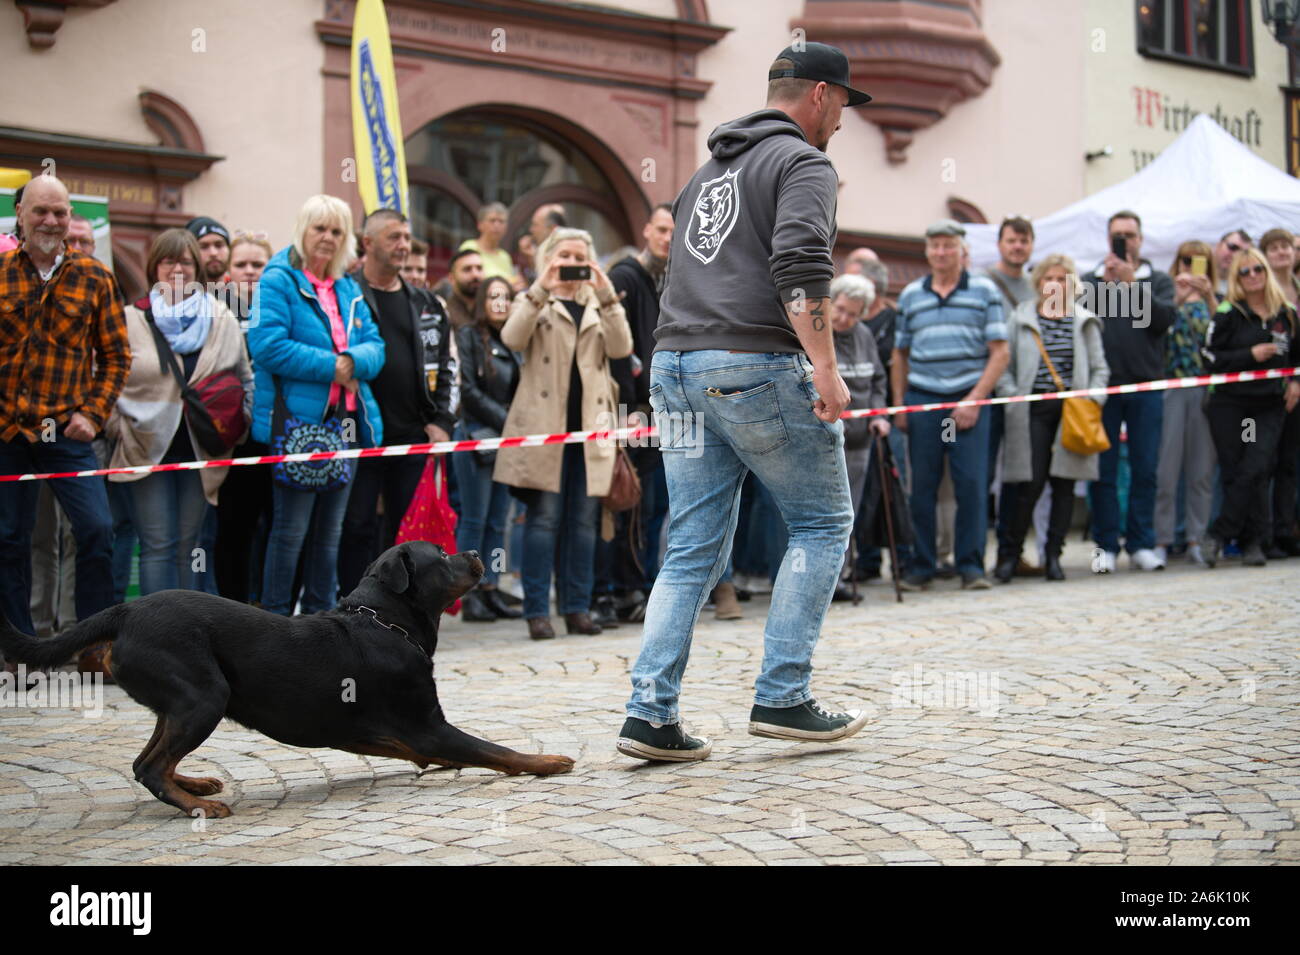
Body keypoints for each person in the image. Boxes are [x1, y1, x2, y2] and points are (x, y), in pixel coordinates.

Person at [618, 41, 873, 762]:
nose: (843, 124)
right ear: (820, 94)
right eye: (845, 106)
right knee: (823, 522)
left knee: (693, 545)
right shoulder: (803, 162)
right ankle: (784, 696)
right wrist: (825, 365)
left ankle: (649, 713)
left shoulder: (705, 173)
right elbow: (800, 262)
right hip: (754, 360)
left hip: (675, 364)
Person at [0, 174, 129, 677]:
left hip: (67, 434)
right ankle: (19, 654)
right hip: (8, 433)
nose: (52, 221)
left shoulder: (95, 277)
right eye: (41, 212)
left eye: (61, 212)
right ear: (21, 215)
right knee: (9, 540)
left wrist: (92, 413)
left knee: (97, 531)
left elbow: (117, 355)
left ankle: (94, 650)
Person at [247, 195, 385, 616]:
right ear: (303, 231)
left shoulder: (347, 286)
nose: (327, 238)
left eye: (336, 231)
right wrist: (333, 366)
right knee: (290, 532)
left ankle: (323, 624)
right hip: (297, 423)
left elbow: (377, 348)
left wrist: (351, 361)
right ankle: (273, 623)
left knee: (330, 533)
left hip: (346, 424)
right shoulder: (278, 279)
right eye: (319, 228)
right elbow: (266, 346)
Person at [494, 227, 632, 640]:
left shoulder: (597, 303)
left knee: (585, 522)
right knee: (543, 521)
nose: (574, 264)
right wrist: (542, 286)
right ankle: (537, 610)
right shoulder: (534, 298)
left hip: (592, 429)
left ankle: (577, 607)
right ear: (550, 259)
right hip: (544, 428)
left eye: (582, 256)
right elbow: (512, 337)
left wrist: (607, 294)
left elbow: (622, 348)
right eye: (565, 256)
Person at [106, 228, 250, 595]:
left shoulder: (222, 317)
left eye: (185, 261)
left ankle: (187, 639)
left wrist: (240, 424)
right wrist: (115, 426)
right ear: (155, 267)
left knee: (190, 545)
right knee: (157, 545)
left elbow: (245, 378)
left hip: (203, 448)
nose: (177, 269)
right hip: (145, 445)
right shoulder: (129, 319)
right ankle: (154, 639)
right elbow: (104, 377)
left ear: (198, 268)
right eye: (168, 261)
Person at [338, 208, 456, 597]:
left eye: (406, 236)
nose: (403, 245)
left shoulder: (427, 304)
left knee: (404, 533)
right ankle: (354, 606)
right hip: (359, 434)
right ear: (367, 243)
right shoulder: (345, 296)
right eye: (394, 237)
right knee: (356, 526)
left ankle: (394, 611)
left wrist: (441, 421)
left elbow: (448, 367)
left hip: (412, 433)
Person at [891, 219, 1008, 591]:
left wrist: (974, 400)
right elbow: (900, 353)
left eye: (948, 245)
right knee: (921, 486)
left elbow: (1000, 353)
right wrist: (899, 405)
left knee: (971, 484)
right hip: (923, 401)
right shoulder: (911, 295)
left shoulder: (985, 291)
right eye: (934, 246)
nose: (941, 252)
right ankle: (921, 566)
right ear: (927, 251)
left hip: (968, 401)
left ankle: (971, 567)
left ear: (962, 250)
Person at [993, 255, 1108, 582]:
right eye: (1049, 278)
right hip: (1032, 410)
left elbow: (1100, 368)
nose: (1055, 284)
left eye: (1063, 278)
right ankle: (1009, 556)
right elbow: (1005, 365)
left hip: (1073, 411)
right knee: (1028, 484)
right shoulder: (1021, 318)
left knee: (1065, 483)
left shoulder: (1084, 320)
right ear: (1039, 282)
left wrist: (1093, 397)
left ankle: (1054, 556)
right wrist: (1013, 396)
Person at [1080, 210, 1177, 573]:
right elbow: (1079, 324)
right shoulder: (1091, 281)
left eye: (1130, 234)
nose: (1125, 240)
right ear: (1109, 240)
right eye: (1117, 235)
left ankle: (1141, 542)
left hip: (1147, 386)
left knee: (1145, 467)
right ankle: (1104, 545)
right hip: (1104, 389)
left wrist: (1132, 284)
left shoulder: (1159, 280)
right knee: (1102, 470)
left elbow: (1162, 322)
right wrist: (1105, 286)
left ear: (1140, 239)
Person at [1201, 247, 1300, 567]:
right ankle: (1252, 541)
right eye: (1245, 272)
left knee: (1256, 465)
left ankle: (1220, 533)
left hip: (1268, 404)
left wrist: (1295, 381)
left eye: (1257, 269)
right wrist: (1250, 355)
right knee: (1240, 469)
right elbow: (1210, 359)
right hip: (1231, 403)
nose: (1253, 276)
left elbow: (1296, 356)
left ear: (1266, 271)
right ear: (1236, 278)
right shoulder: (1229, 311)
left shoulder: (1286, 313)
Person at [605, 203, 677, 622]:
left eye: (674, 231)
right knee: (629, 503)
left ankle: (643, 587)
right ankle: (623, 590)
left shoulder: (668, 280)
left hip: (664, 411)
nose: (668, 237)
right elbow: (620, 351)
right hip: (631, 412)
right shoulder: (626, 276)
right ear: (647, 230)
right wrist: (629, 407)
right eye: (662, 229)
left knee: (653, 507)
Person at [454, 276, 523, 622]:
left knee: (499, 523)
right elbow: (467, 390)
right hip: (477, 437)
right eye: (494, 296)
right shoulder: (468, 335)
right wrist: (508, 420)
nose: (501, 303)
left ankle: (491, 587)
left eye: (506, 297)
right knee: (475, 519)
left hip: (506, 442)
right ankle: (468, 592)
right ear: (482, 300)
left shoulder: (512, 341)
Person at [213, 231, 275, 602]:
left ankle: (266, 605)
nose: (250, 272)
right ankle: (232, 606)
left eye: (258, 265)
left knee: (273, 527)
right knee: (234, 528)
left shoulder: (279, 307)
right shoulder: (216, 309)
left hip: (273, 432)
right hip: (231, 437)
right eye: (242, 265)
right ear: (228, 272)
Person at [1153, 240, 1218, 566]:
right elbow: (1154, 333)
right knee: (1166, 469)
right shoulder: (1166, 296)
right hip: (1171, 387)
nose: (1191, 267)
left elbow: (1220, 336)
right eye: (1186, 261)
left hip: (1205, 389)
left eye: (1199, 262)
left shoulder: (1216, 300)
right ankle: (1162, 539)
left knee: (1201, 470)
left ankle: (1196, 537)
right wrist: (1176, 298)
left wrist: (1207, 297)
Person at [828, 273, 889, 599]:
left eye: (853, 314)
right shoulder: (817, 334)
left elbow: (878, 379)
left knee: (848, 511)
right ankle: (821, 580)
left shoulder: (864, 336)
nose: (844, 319)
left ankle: (841, 576)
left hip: (859, 443)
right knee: (826, 514)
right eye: (839, 309)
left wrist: (879, 415)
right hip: (821, 443)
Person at [1259, 228, 1300, 556]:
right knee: (1265, 460)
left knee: (1290, 462)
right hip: (1272, 391)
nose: (1282, 252)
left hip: (1296, 385)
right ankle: (1266, 531)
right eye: (1273, 248)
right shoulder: (1265, 296)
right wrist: (1288, 382)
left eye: (1286, 246)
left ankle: (1287, 530)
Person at [459, 202, 517, 284]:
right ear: (480, 225)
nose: (497, 225)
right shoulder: (469, 247)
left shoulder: (505, 257)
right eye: (492, 220)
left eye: (501, 221)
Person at [439, 248, 483, 330]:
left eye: (479, 268)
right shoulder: (446, 316)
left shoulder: (489, 313)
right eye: (467, 269)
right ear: (451, 278)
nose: (475, 275)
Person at [186, 216, 232, 286]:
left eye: (219, 245)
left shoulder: (246, 292)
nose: (213, 253)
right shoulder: (179, 294)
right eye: (204, 247)